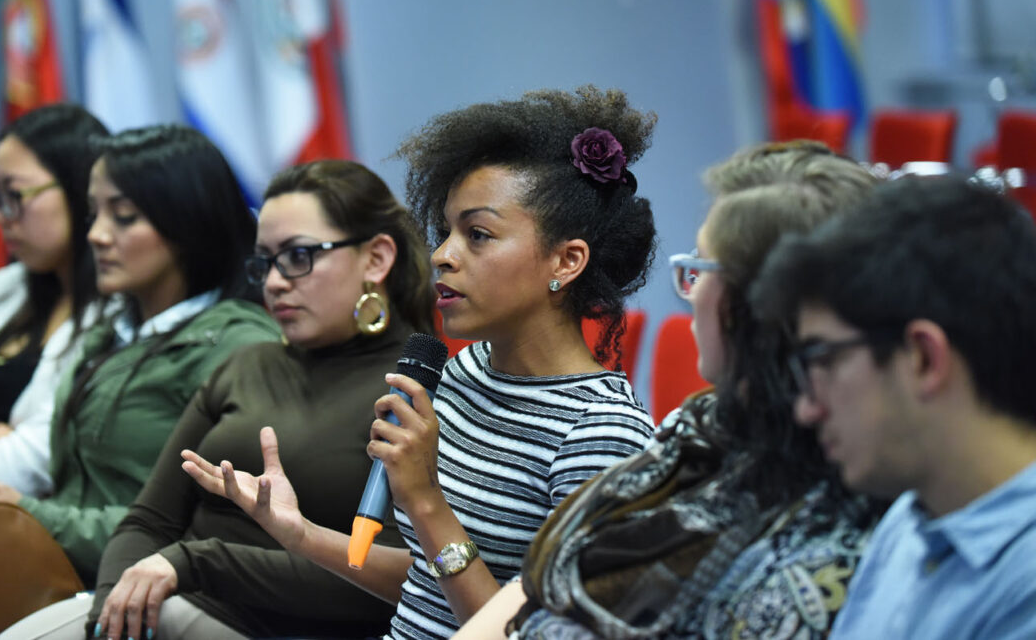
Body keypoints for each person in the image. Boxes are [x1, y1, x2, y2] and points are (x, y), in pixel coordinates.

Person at [182, 86, 659, 638]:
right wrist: (299, 534)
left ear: (567, 260)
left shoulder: (602, 435)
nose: (441, 255)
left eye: (477, 235)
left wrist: (425, 499)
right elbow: (431, 586)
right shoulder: (468, 370)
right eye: (447, 231)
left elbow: (535, 632)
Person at [457, 140, 881, 639]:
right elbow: (541, 584)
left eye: (704, 268)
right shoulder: (702, 427)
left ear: (763, 300)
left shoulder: (831, 526)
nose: (692, 292)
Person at [1, 160, 435, 640]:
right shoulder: (249, 364)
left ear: (376, 258)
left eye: (298, 257)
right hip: (167, 604)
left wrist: (196, 563)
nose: (273, 282)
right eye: (265, 261)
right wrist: (110, 617)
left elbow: (399, 579)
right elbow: (147, 522)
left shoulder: (412, 390)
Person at [0, 125, 279, 594]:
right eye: (94, 214)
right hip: (70, 568)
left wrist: (30, 512)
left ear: (187, 223)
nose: (97, 235)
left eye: (124, 217)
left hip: (150, 588)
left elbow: (196, 526)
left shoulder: (237, 348)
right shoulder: (112, 332)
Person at [750, 175, 1036, 639]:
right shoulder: (910, 520)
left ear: (923, 358)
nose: (806, 409)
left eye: (822, 359)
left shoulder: (1026, 585)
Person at [0, 104, 106, 495]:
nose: (2, 217)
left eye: (15, 195)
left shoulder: (120, 312)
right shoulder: (10, 286)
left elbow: (38, 462)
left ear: (80, 190)